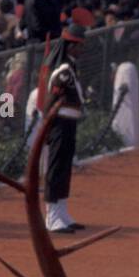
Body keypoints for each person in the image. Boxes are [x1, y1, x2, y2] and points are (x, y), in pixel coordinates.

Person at [43, 22, 86, 233]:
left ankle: (62, 212)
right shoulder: (63, 72)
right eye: (79, 45)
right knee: (56, 167)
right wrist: (46, 128)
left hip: (69, 123)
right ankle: (52, 216)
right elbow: (50, 101)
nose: (81, 49)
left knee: (65, 167)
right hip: (59, 123)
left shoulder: (72, 68)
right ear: (70, 47)